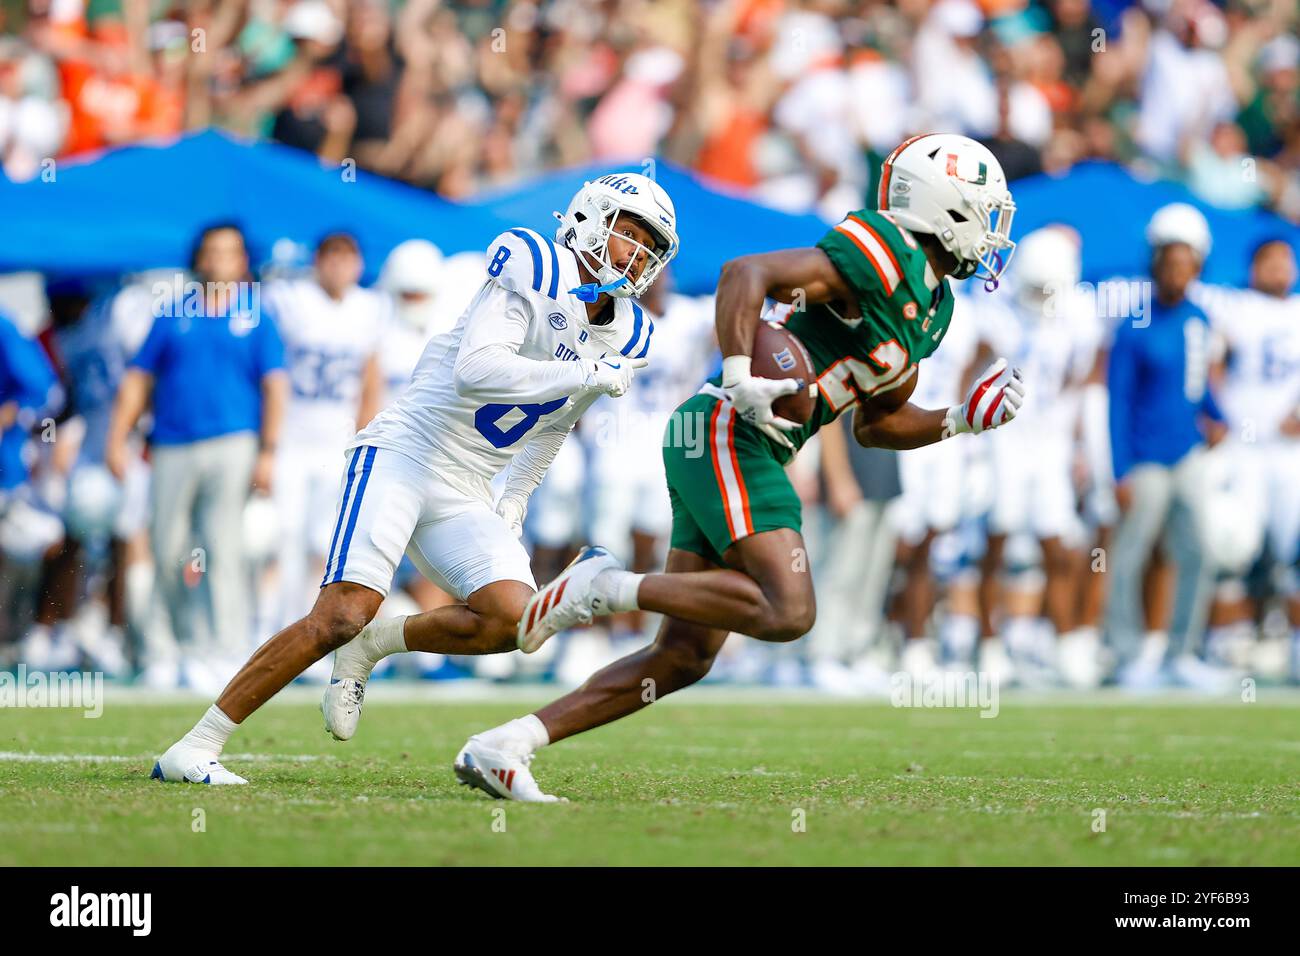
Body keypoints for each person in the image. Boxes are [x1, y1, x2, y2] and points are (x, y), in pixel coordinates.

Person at [458, 133, 1024, 802]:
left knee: (684, 656)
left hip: (732, 440)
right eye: (983, 213)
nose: (992, 233)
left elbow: (879, 424)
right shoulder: (883, 250)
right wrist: (738, 372)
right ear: (943, 208)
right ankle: (602, 585)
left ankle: (505, 744)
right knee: (789, 609)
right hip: (732, 428)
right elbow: (744, 273)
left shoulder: (935, 308)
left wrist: (960, 417)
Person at [151, 173, 680, 785]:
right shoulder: (534, 263)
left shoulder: (629, 330)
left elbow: (551, 428)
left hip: (471, 483)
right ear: (593, 217)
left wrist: (515, 500)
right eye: (629, 232)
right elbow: (476, 373)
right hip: (407, 451)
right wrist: (581, 372)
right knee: (342, 611)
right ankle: (194, 745)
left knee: (518, 623)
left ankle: (377, 645)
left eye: (649, 245)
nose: (635, 254)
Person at [106, 224, 289, 679]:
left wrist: (268, 450)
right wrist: (118, 436)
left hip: (233, 440)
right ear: (199, 259)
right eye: (211, 252)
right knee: (167, 546)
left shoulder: (256, 315)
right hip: (172, 442)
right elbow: (138, 378)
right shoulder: (173, 314)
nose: (218, 262)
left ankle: (223, 648)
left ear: (242, 261)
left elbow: (275, 385)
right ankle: (166, 649)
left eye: (228, 253)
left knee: (222, 546)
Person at [1104, 203, 1227, 689]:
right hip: (1145, 459)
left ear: (1198, 267)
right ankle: (1126, 653)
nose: (1178, 272)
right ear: (1154, 263)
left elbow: (1196, 385)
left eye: (1186, 263)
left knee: (1199, 552)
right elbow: (1116, 401)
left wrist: (1219, 417)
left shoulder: (1199, 317)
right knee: (1129, 554)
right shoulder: (1133, 324)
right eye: (1169, 261)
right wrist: (1119, 470)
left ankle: (1181, 653)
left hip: (1189, 453)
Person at [262, 233, 385, 633]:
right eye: (331, 258)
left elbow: (371, 379)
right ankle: (267, 629)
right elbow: (268, 371)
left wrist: (364, 438)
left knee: (323, 543)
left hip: (336, 440)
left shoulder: (369, 307)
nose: (338, 267)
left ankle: (308, 630)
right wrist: (266, 444)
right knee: (279, 537)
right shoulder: (291, 300)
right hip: (291, 437)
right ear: (316, 261)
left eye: (347, 259)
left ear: (359, 265)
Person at [1191, 239, 1300, 682]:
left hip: (1288, 450)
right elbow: (1211, 368)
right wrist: (1215, 417)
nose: (1279, 269)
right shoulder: (1235, 308)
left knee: (1291, 548)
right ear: (1253, 267)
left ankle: (1287, 641)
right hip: (1243, 445)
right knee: (1235, 546)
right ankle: (1227, 641)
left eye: (1285, 261)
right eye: (1269, 261)